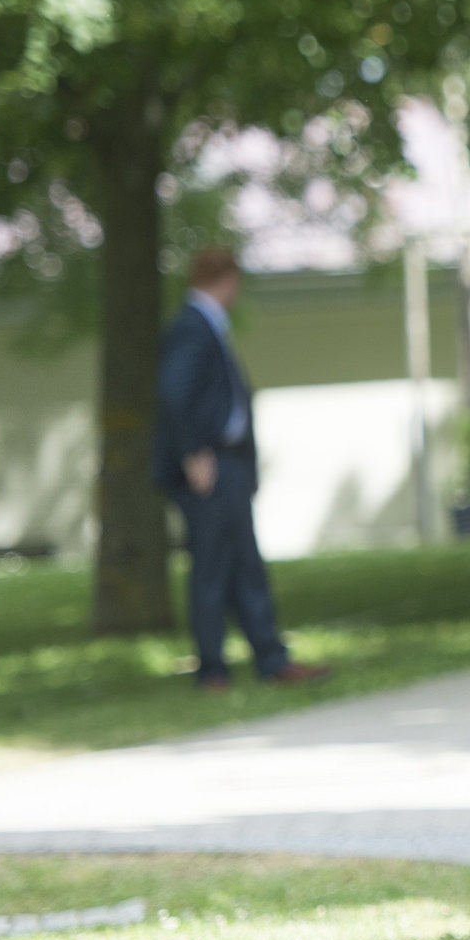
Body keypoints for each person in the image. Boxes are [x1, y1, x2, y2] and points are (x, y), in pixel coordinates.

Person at [151, 247, 327, 692]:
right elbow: (175, 392)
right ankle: (213, 669)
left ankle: (271, 658)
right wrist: (194, 453)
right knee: (211, 568)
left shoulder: (207, 326)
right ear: (227, 279)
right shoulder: (193, 326)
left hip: (228, 466)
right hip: (208, 467)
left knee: (244, 565)